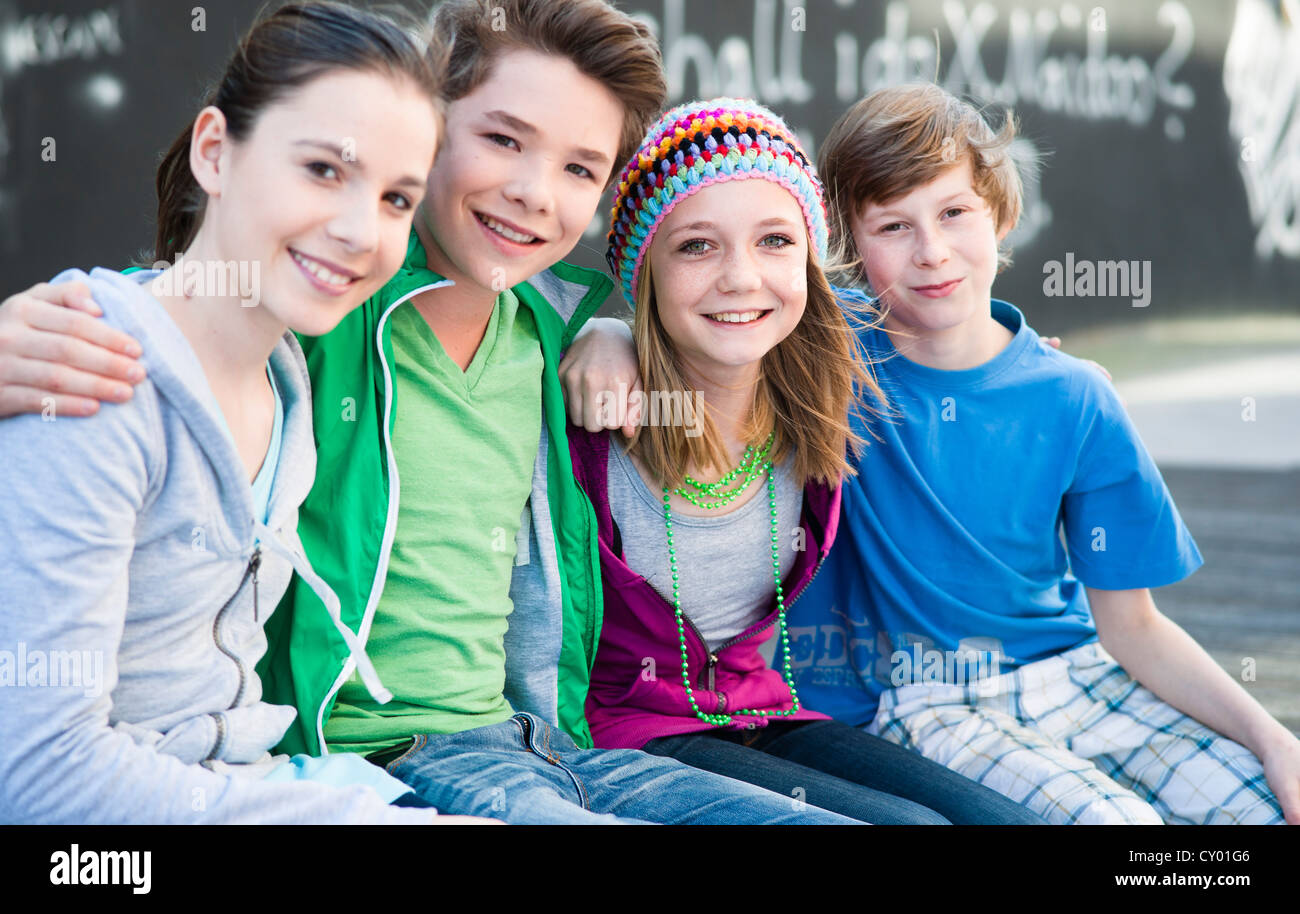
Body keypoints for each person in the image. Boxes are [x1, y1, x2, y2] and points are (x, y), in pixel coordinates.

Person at [0, 0, 855, 825]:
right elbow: (207, 297)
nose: (531, 192)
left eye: (578, 169)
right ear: (429, 135)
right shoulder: (328, 317)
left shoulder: (552, 333)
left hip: (538, 740)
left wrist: (609, 332)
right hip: (378, 757)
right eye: (501, 140)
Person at [564, 82, 1300, 825]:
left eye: (954, 214)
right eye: (893, 227)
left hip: (1074, 673)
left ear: (1003, 215)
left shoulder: (1070, 396)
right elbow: (711, 321)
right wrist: (607, 334)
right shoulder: (830, 354)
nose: (933, 252)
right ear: (849, 249)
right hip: (921, 699)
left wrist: (1272, 738)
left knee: (1263, 809)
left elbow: (1133, 626)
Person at [0, 1, 492, 824]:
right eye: (324, 170)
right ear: (215, 152)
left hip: (249, 778)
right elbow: (43, 775)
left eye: (398, 199)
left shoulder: (287, 379)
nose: (358, 230)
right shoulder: (90, 377)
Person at [563, 97, 1045, 824]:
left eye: (776, 242)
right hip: (625, 733)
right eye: (696, 246)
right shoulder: (594, 415)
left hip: (762, 712)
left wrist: (1050, 378)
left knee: (1013, 823)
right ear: (646, 272)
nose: (741, 278)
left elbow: (955, 333)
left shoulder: (823, 388)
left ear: (811, 263)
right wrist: (602, 331)